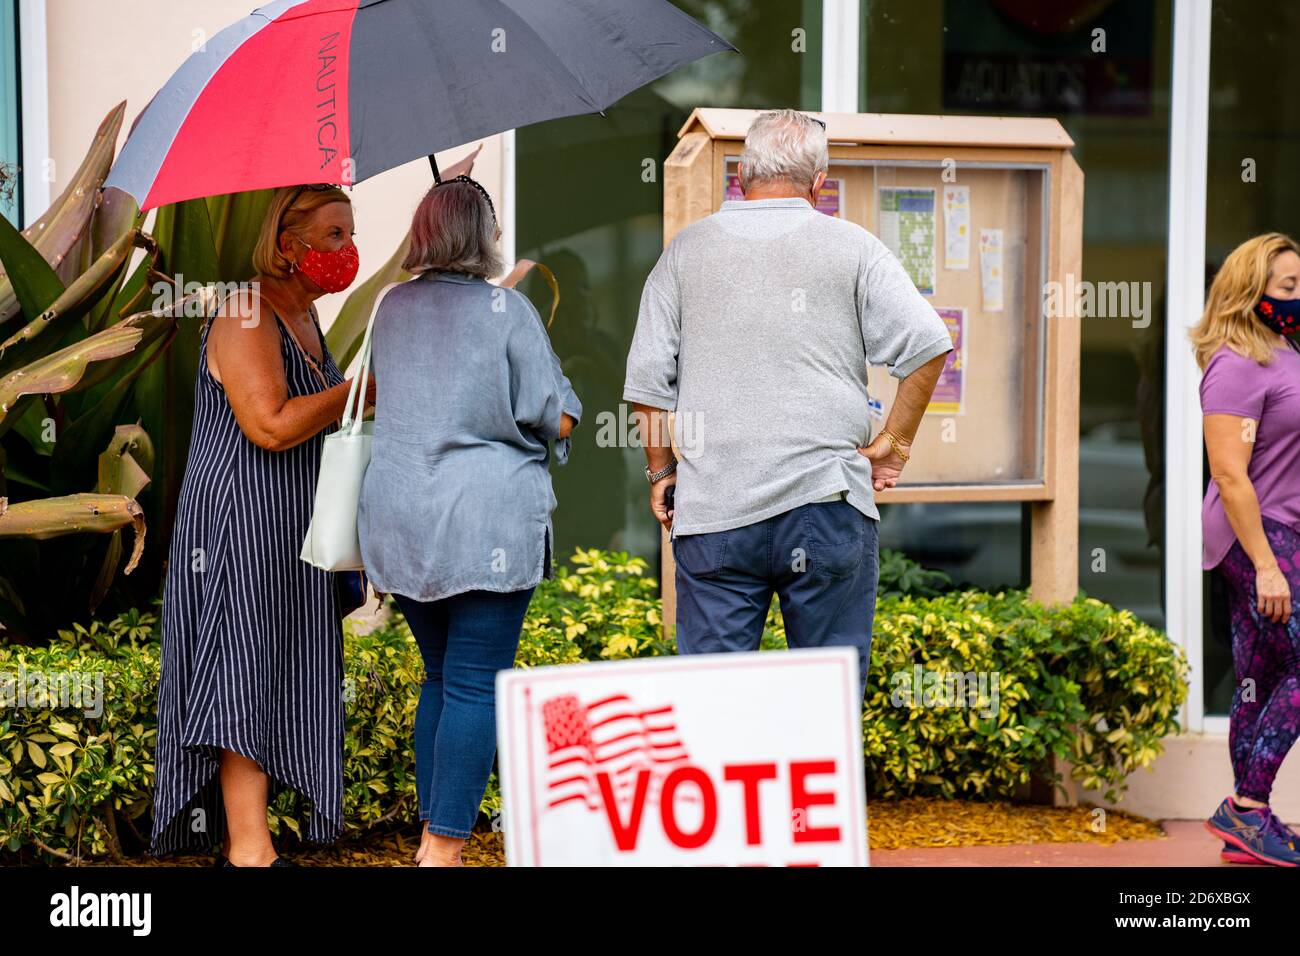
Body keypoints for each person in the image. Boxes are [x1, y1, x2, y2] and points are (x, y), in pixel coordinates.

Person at [623, 108, 952, 703]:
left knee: (713, 705)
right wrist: (895, 444)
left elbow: (647, 385)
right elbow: (929, 346)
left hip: (716, 512)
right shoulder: (854, 248)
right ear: (818, 181)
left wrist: (663, 471)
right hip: (825, 505)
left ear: (741, 176)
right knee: (825, 707)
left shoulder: (685, 253)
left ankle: (727, 798)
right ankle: (810, 803)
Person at [357, 175, 581, 867]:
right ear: (481, 236)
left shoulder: (388, 307)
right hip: (483, 519)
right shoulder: (505, 310)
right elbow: (554, 412)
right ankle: (444, 848)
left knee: (440, 678)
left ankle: (434, 834)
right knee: (477, 681)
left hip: (400, 518)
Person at [151, 182, 369, 866]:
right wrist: (363, 389)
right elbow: (269, 426)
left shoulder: (304, 317)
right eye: (333, 235)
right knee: (243, 668)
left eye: (349, 233)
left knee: (282, 668)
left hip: (290, 529)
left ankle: (254, 839)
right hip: (239, 526)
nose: (347, 250)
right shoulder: (247, 311)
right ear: (286, 244)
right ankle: (250, 849)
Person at [1194, 232, 1300, 866]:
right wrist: (1266, 565)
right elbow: (1231, 475)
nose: (1298, 296)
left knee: (1259, 676)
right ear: (1249, 290)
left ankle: (1245, 831)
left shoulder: (1285, 350)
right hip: (1253, 533)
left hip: (1284, 527)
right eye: (1287, 288)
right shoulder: (1236, 361)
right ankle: (1248, 808)